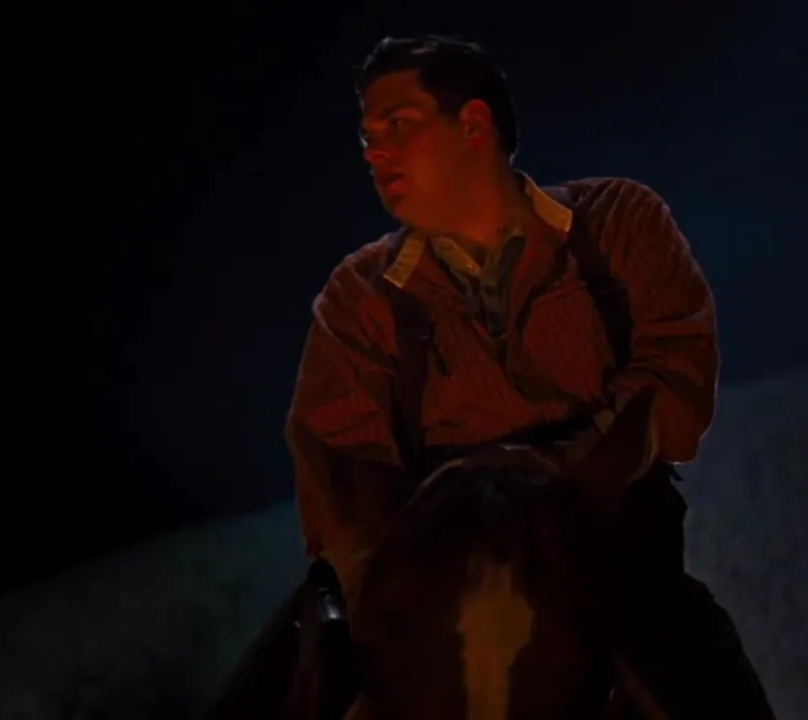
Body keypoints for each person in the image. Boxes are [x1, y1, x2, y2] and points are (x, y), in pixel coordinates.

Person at [284, 34, 776, 718]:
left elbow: (675, 378)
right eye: (369, 138)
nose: (375, 153)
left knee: (705, 678)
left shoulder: (617, 224)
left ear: (474, 124)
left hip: (611, 568)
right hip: (434, 586)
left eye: (398, 126)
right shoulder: (359, 297)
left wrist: (559, 478)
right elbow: (337, 464)